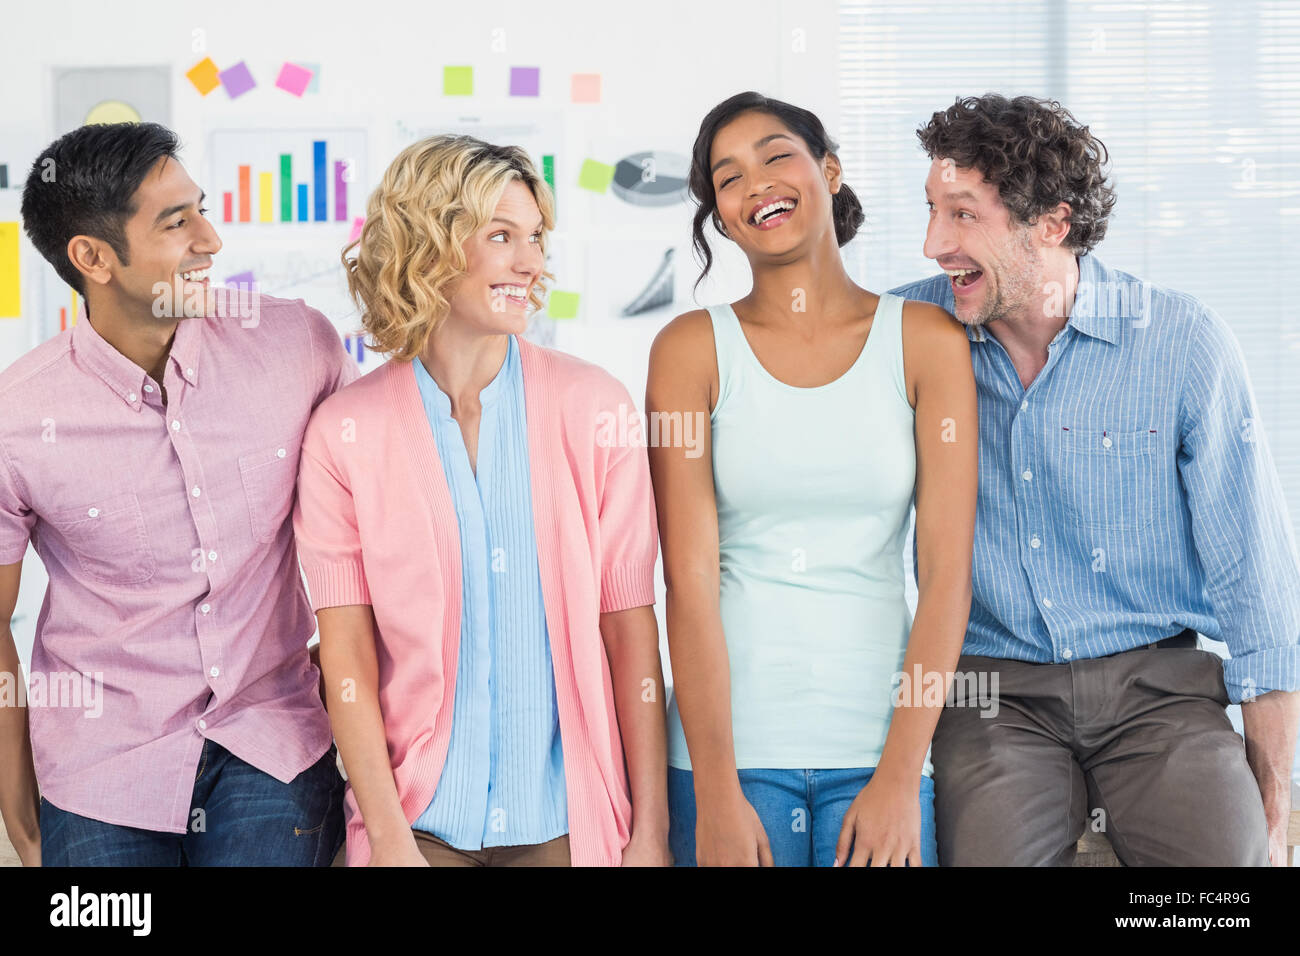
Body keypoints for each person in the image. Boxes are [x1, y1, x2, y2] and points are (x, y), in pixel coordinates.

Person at [888, 93, 1300, 866]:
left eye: (963, 215)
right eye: (932, 211)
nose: (933, 243)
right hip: (990, 693)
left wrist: (1277, 798)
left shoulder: (1181, 343)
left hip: (1163, 691)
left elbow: (1257, 580)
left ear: (1053, 223)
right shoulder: (908, 334)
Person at [293, 134, 670, 867]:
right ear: (425, 246)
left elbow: (630, 633)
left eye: (534, 237)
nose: (531, 262)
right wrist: (391, 842)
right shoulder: (345, 432)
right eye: (501, 236)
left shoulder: (594, 407)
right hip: (418, 824)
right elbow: (347, 658)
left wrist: (648, 830)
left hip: (568, 822)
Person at [0, 121, 355, 866]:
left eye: (200, 207)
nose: (211, 239)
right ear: (92, 257)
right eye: (176, 221)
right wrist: (21, 815)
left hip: (272, 737)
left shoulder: (298, 347)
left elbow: (376, 523)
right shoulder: (18, 417)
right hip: (100, 765)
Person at [647, 91, 977, 867]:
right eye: (727, 178)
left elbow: (946, 579)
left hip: (880, 750)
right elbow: (687, 585)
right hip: (730, 758)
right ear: (721, 217)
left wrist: (902, 774)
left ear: (828, 171)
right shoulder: (689, 351)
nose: (755, 182)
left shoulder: (926, 340)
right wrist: (718, 792)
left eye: (775, 155)